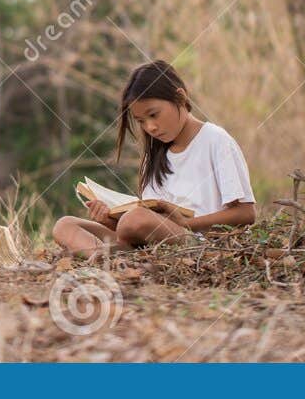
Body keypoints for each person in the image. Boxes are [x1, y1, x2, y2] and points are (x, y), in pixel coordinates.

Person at [53, 59, 256, 257]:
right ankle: (109, 258)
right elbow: (142, 225)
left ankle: (106, 257)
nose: (150, 127)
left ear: (180, 97)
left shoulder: (216, 140)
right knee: (65, 225)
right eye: (141, 121)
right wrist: (108, 220)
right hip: (151, 242)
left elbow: (246, 214)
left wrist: (185, 224)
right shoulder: (155, 155)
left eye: (154, 114)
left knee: (136, 219)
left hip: (198, 241)